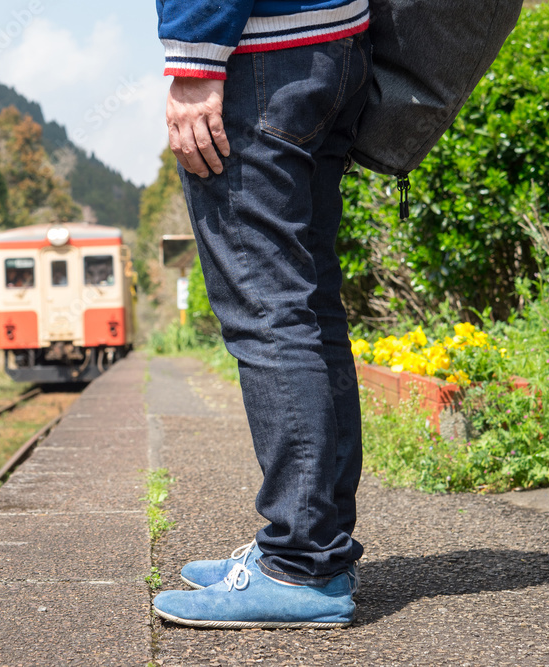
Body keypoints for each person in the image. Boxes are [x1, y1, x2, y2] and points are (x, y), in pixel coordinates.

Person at [151, 0, 373, 629]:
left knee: (269, 309)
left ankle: (300, 562)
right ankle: (320, 550)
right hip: (336, 47)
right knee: (310, 307)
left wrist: (194, 60)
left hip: (264, 56)